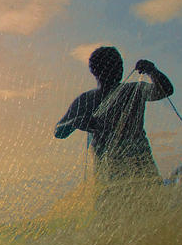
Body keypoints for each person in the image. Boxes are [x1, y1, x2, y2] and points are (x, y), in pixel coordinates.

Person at [54, 46, 174, 183]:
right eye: (112, 66)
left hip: (140, 167)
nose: (119, 69)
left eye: (119, 65)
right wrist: (76, 122)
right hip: (108, 173)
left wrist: (153, 71)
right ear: (96, 70)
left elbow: (166, 90)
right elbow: (59, 131)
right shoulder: (87, 100)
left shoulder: (134, 90)